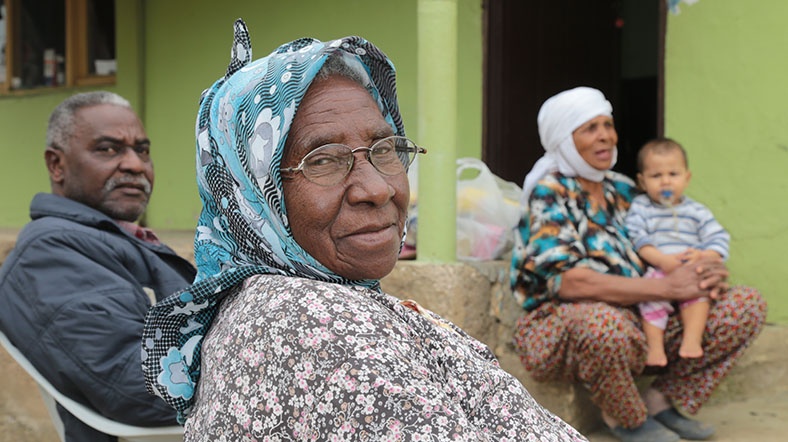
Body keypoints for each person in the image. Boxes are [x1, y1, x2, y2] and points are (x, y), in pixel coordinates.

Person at [141, 19, 587, 441]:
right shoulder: (310, 325)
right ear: (252, 192)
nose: (377, 189)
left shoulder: (299, 295)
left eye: (385, 148)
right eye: (322, 160)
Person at [510, 87, 766, 442]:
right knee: (604, 323)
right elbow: (569, 283)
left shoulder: (623, 189)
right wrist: (665, 287)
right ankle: (625, 418)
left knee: (745, 305)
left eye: (607, 124)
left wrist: (705, 269)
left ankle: (661, 401)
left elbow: (668, 241)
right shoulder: (550, 192)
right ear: (564, 139)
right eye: (589, 128)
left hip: (642, 315)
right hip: (564, 324)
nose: (605, 135)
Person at [0, 91, 197, 442]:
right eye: (108, 149)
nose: (135, 165)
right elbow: (136, 386)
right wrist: (267, 365)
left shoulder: (109, 239)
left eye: (142, 150)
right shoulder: (51, 252)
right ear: (56, 165)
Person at [625, 138, 730, 367]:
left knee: (699, 295)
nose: (665, 181)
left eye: (673, 174)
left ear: (686, 178)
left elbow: (719, 239)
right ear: (642, 181)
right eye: (656, 176)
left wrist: (702, 256)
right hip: (659, 271)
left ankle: (691, 341)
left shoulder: (697, 211)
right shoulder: (642, 207)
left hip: (690, 269)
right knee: (650, 303)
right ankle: (655, 349)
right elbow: (638, 238)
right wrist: (661, 260)